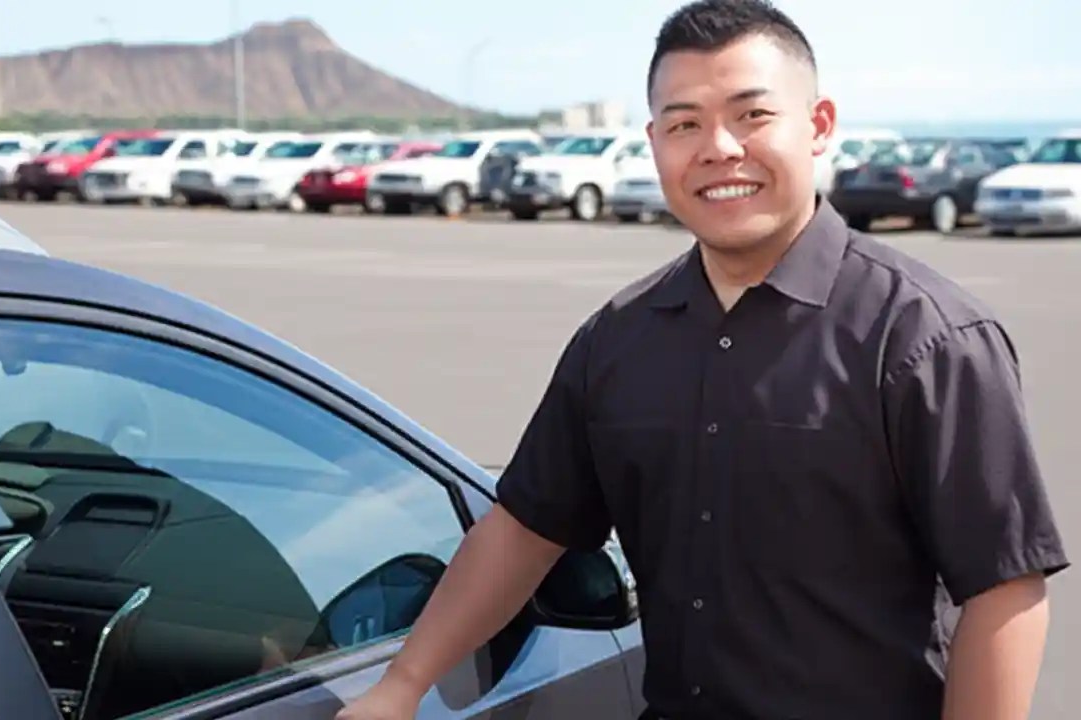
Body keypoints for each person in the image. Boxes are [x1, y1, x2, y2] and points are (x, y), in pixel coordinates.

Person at [336, 0, 1070, 718]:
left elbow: (1004, 589)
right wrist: (402, 686)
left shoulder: (924, 338)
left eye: (752, 115)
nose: (718, 148)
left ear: (818, 127)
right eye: (685, 123)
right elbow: (527, 526)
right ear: (654, 143)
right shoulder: (617, 339)